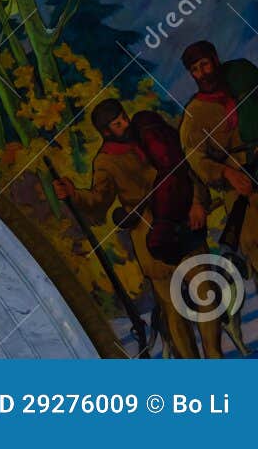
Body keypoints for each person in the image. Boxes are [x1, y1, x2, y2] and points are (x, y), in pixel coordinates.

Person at [56, 100, 222, 359]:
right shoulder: (105, 162)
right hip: (148, 234)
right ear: (106, 131)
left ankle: (215, 357)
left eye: (124, 117)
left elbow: (182, 168)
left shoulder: (149, 134)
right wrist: (74, 194)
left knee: (206, 290)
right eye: (117, 123)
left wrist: (197, 202)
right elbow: (98, 200)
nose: (125, 123)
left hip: (181, 218)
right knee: (172, 307)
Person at [178, 40, 258, 274]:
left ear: (215, 60)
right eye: (195, 69)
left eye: (204, 64)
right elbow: (196, 160)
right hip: (239, 188)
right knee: (253, 243)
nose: (202, 73)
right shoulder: (194, 114)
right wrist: (227, 173)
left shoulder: (242, 83)